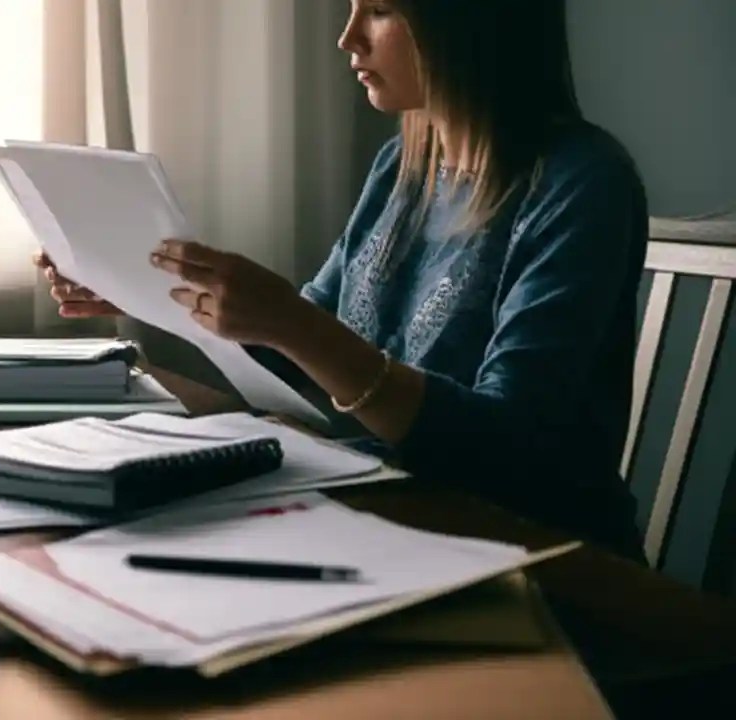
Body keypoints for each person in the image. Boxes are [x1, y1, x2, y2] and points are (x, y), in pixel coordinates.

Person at [33, 0, 649, 561]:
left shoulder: (581, 185)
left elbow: (509, 445)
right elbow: (297, 357)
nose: (347, 38)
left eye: (378, 11)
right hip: (393, 524)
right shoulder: (401, 170)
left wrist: (293, 325)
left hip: (541, 558)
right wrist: (139, 284)